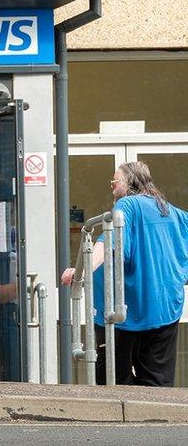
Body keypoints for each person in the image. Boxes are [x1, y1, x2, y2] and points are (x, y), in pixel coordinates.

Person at [61, 162, 188, 386]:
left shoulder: (126, 204)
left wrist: (81, 269)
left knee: (112, 382)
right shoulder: (172, 212)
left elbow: (107, 243)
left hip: (122, 314)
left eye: (114, 182)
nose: (111, 187)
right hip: (164, 311)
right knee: (156, 386)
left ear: (130, 183)